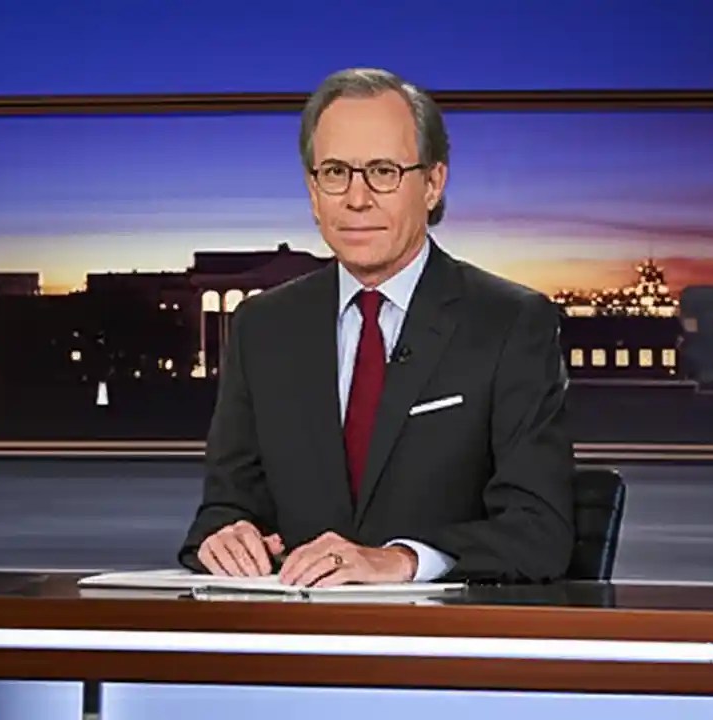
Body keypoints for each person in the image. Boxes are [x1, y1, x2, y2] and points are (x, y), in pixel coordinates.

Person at [178, 68, 575, 587]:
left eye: (384, 172)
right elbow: (224, 509)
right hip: (294, 650)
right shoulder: (263, 327)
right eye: (335, 172)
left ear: (433, 184)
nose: (356, 199)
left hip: (441, 650)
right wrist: (227, 537)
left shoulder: (509, 323)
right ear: (312, 190)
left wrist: (401, 561)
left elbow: (540, 532)